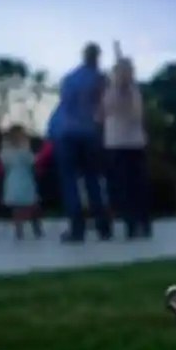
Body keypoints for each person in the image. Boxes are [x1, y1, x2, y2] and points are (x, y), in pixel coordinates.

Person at [50, 43, 112, 242]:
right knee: (93, 180)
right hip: (90, 133)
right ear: (98, 57)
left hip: (66, 133)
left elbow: (64, 105)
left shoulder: (70, 79)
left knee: (70, 182)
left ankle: (77, 229)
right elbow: (104, 108)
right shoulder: (102, 80)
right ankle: (103, 227)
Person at [102, 55, 152, 239]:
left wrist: (126, 97)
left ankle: (142, 223)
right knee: (122, 188)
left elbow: (136, 116)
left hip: (132, 144)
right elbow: (104, 112)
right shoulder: (110, 92)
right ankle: (131, 224)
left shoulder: (134, 92)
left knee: (137, 187)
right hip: (116, 144)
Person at [0, 125, 44, 240]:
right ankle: (35, 229)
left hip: (13, 179)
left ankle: (20, 231)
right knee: (32, 205)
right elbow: (31, 161)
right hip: (24, 178)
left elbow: (4, 162)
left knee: (18, 207)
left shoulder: (6, 150)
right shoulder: (24, 149)